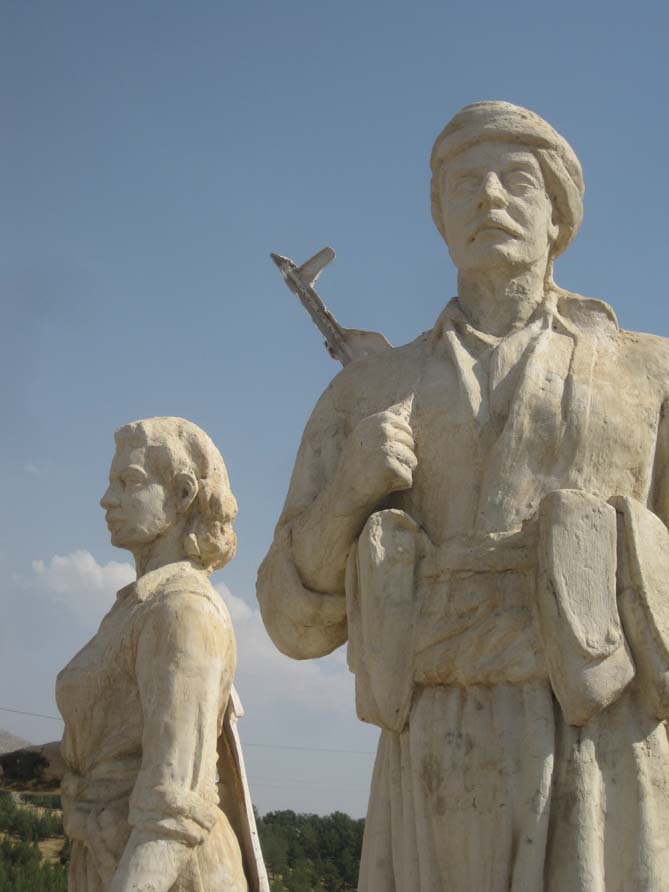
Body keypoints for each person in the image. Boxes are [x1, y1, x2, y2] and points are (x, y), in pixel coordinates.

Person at [257, 102, 669, 891]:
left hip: (600, 746)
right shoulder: (366, 393)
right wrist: (349, 495)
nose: (489, 198)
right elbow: (291, 622)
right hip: (429, 755)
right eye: (463, 184)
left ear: (558, 215)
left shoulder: (646, 375)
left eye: (517, 181)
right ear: (439, 216)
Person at [3, 417, 267, 892]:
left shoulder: (183, 612)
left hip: (165, 872)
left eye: (129, 481)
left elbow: (175, 810)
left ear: (183, 494)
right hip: (112, 854)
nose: (107, 499)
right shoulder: (135, 608)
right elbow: (94, 759)